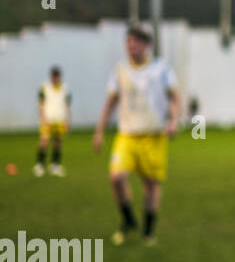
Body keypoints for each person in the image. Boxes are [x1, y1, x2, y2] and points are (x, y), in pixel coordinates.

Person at [92, 25, 181, 246]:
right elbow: (111, 101)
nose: (131, 47)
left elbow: (175, 98)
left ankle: (148, 232)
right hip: (127, 136)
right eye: (128, 42)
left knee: (151, 186)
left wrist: (173, 121)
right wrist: (100, 130)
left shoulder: (162, 69)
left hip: (153, 137)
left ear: (147, 45)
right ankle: (129, 219)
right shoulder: (120, 70)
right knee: (116, 177)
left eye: (135, 42)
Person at [35, 66, 70, 177]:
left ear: (59, 76)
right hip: (48, 120)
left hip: (60, 120)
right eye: (53, 76)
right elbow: (41, 103)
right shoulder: (45, 88)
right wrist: (43, 117)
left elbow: (67, 105)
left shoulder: (65, 88)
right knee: (44, 141)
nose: (55, 78)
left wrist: (68, 120)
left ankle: (55, 165)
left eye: (57, 76)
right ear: (51, 77)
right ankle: (40, 165)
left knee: (58, 143)